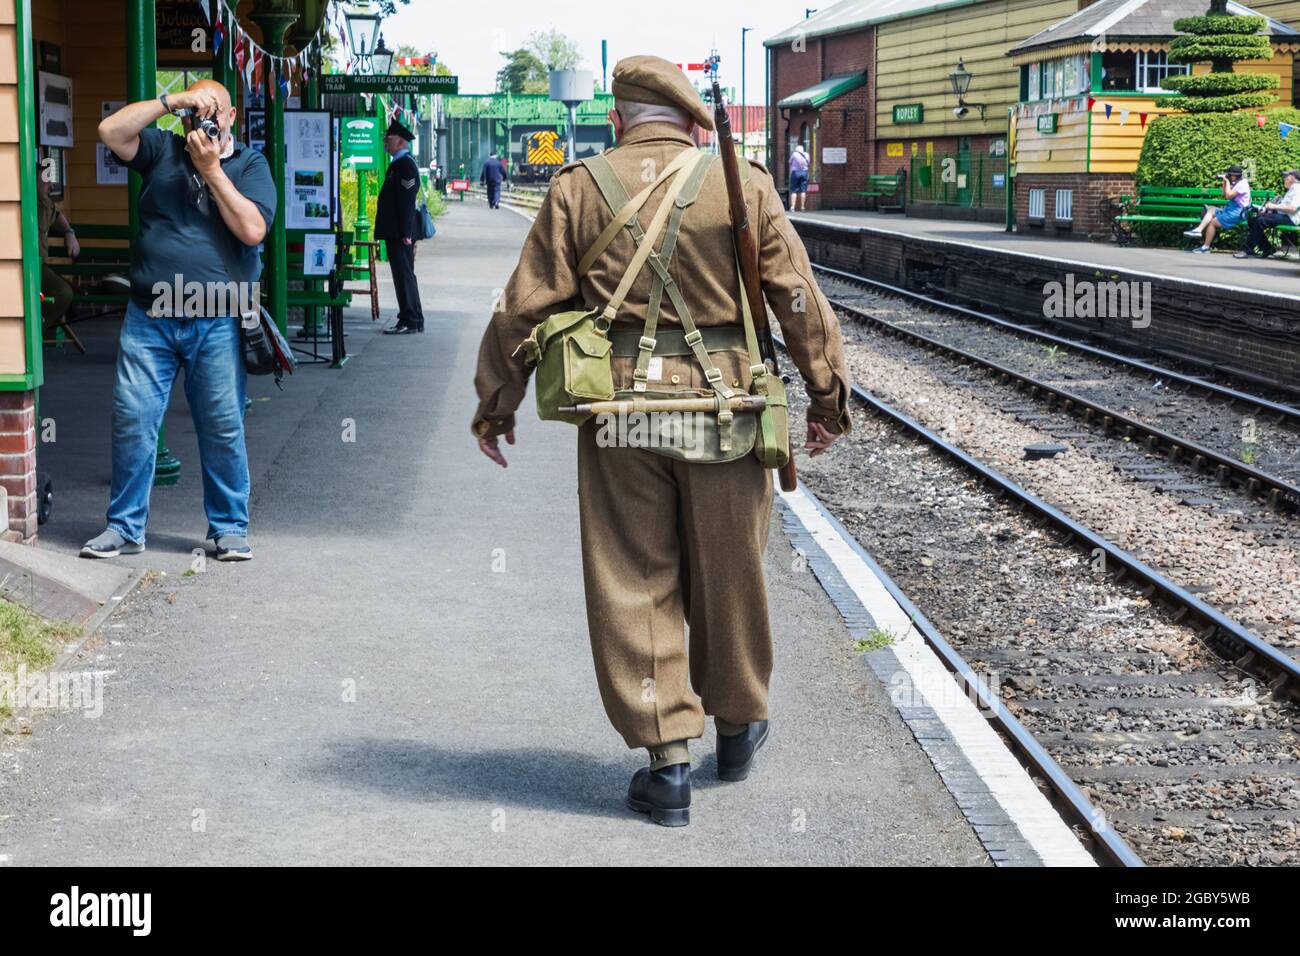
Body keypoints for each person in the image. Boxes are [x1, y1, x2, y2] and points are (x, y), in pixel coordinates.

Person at [471, 55, 851, 826]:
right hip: (727, 408)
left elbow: (522, 307)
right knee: (730, 570)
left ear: (619, 119)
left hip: (620, 413)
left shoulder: (577, 189)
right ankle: (739, 726)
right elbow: (798, 300)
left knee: (634, 578)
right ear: (690, 122)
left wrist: (496, 402)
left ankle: (667, 760)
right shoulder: (740, 183)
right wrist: (826, 396)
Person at [83, 80, 275, 562]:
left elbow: (252, 230)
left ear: (231, 117)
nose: (203, 123)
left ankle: (229, 529)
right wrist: (172, 102)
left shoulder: (250, 164)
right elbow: (109, 131)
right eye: (197, 112)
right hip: (151, 314)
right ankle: (125, 528)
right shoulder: (162, 149)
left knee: (222, 425)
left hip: (217, 319)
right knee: (133, 418)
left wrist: (212, 170)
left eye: (214, 113)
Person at [375, 118, 425, 335]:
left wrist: (405, 232)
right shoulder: (398, 164)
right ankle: (413, 317)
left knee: (404, 274)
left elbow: (406, 201)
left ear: (401, 142)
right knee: (404, 274)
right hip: (397, 231)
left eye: (390, 138)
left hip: (400, 232)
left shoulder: (404, 165)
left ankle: (409, 319)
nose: (386, 141)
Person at [36, 162, 81, 352]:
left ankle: (39, 330)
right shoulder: (25, 202)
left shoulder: (45, 203)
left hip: (40, 266)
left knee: (64, 293)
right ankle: (34, 334)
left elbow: (57, 215)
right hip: (25, 266)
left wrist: (69, 233)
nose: (51, 187)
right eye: (46, 181)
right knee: (63, 293)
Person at [1184, 164, 1250, 253]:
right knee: (1210, 209)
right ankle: (1198, 230)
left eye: (1230, 175)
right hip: (1232, 209)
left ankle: (1205, 247)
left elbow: (1229, 196)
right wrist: (1225, 182)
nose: (1229, 176)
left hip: (1237, 212)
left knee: (1212, 223)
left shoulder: (1242, 184)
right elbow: (1225, 195)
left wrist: (1227, 181)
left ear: (1234, 175)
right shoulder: (1237, 182)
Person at [1236, 168, 1300, 259]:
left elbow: (1293, 208)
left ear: (1292, 178)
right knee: (1253, 220)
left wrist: (1273, 207)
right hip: (1283, 215)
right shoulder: (1293, 189)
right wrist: (1268, 210)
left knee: (1261, 221)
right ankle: (1268, 248)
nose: (1284, 179)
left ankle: (1246, 250)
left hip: (1290, 218)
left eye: (1286, 177)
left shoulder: (1298, 189)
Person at [788, 142, 810, 211]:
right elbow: (809, 163)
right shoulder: (806, 154)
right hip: (804, 172)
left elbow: (790, 162)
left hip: (795, 173)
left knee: (794, 190)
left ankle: (792, 207)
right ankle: (802, 207)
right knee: (803, 190)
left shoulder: (794, 154)